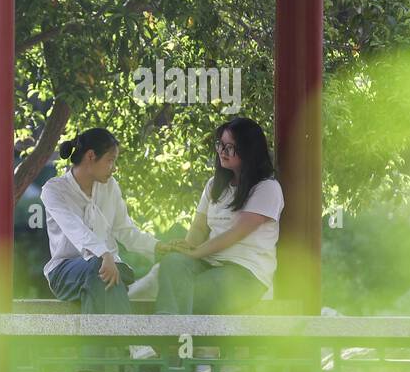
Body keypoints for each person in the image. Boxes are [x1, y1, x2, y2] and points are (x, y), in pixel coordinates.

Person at [155, 117, 284, 316]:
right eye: (220, 145)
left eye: (230, 147)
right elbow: (199, 228)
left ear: (249, 150)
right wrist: (186, 249)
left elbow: (236, 233)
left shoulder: (267, 188)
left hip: (246, 273)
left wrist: (195, 253)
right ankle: (167, 332)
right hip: (209, 264)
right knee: (173, 263)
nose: (222, 152)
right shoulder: (214, 185)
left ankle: (180, 341)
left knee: (199, 289)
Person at [40, 127, 176, 314]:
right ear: (90, 156)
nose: (114, 168)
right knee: (102, 270)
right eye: (110, 160)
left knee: (103, 279)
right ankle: (128, 339)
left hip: (108, 269)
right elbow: (75, 229)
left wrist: (159, 247)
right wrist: (105, 254)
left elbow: (125, 230)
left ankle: (104, 343)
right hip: (64, 273)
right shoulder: (54, 190)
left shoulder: (110, 187)